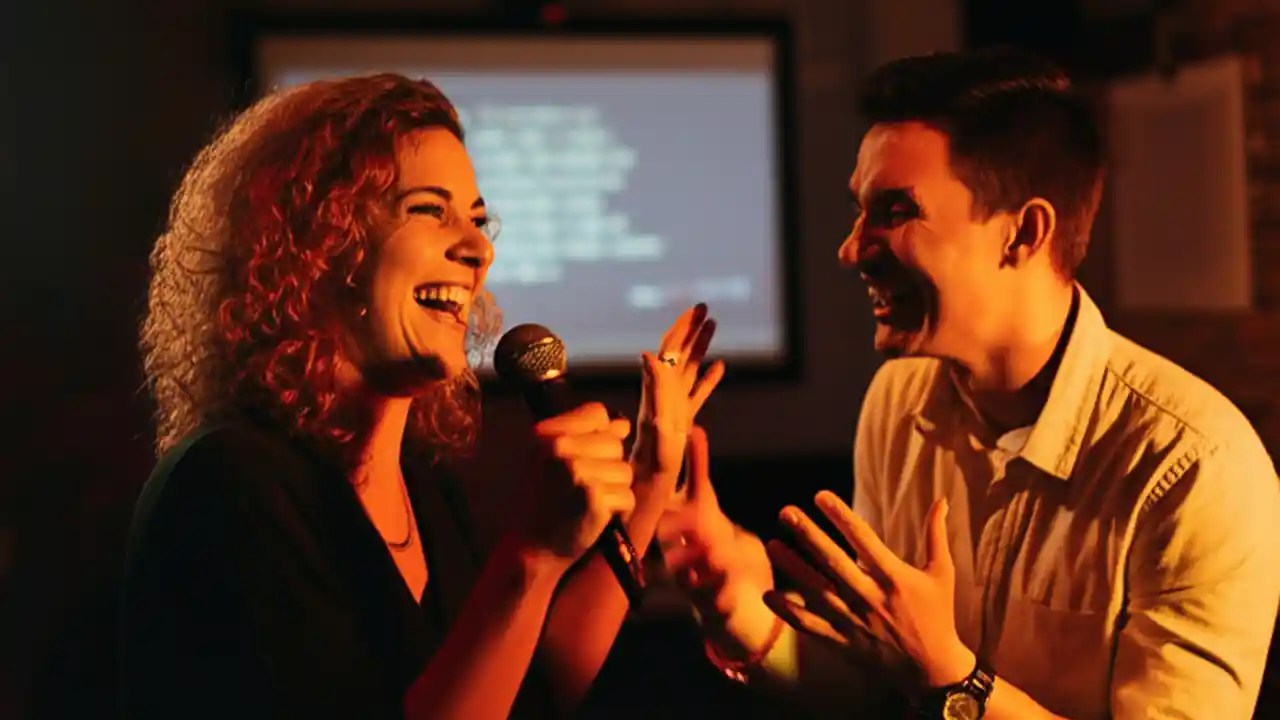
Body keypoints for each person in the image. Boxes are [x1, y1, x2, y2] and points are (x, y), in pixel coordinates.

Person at [658, 48, 1280, 719]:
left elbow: (925, 676)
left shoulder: (1193, 467)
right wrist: (740, 615)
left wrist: (952, 679)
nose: (850, 248)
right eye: (859, 211)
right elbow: (876, 688)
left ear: (1022, 232)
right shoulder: (898, 402)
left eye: (894, 211)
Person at [120, 73, 724, 720]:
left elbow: (529, 689)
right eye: (430, 211)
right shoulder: (231, 485)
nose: (479, 250)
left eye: (477, 219)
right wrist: (531, 554)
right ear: (321, 244)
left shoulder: (421, 483)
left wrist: (650, 480)